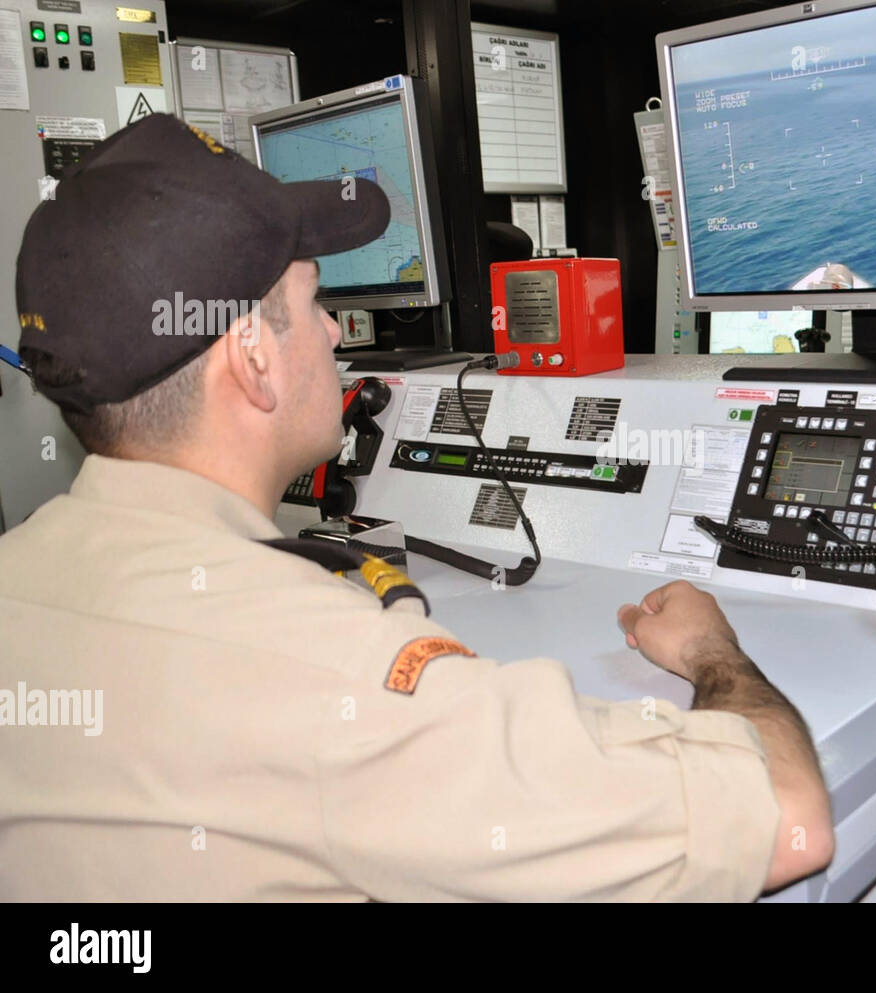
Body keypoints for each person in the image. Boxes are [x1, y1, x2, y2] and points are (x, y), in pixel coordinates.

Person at [0, 114, 833, 901]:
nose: (332, 335)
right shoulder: (335, 683)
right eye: (315, 304)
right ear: (253, 359)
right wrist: (716, 655)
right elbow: (788, 818)